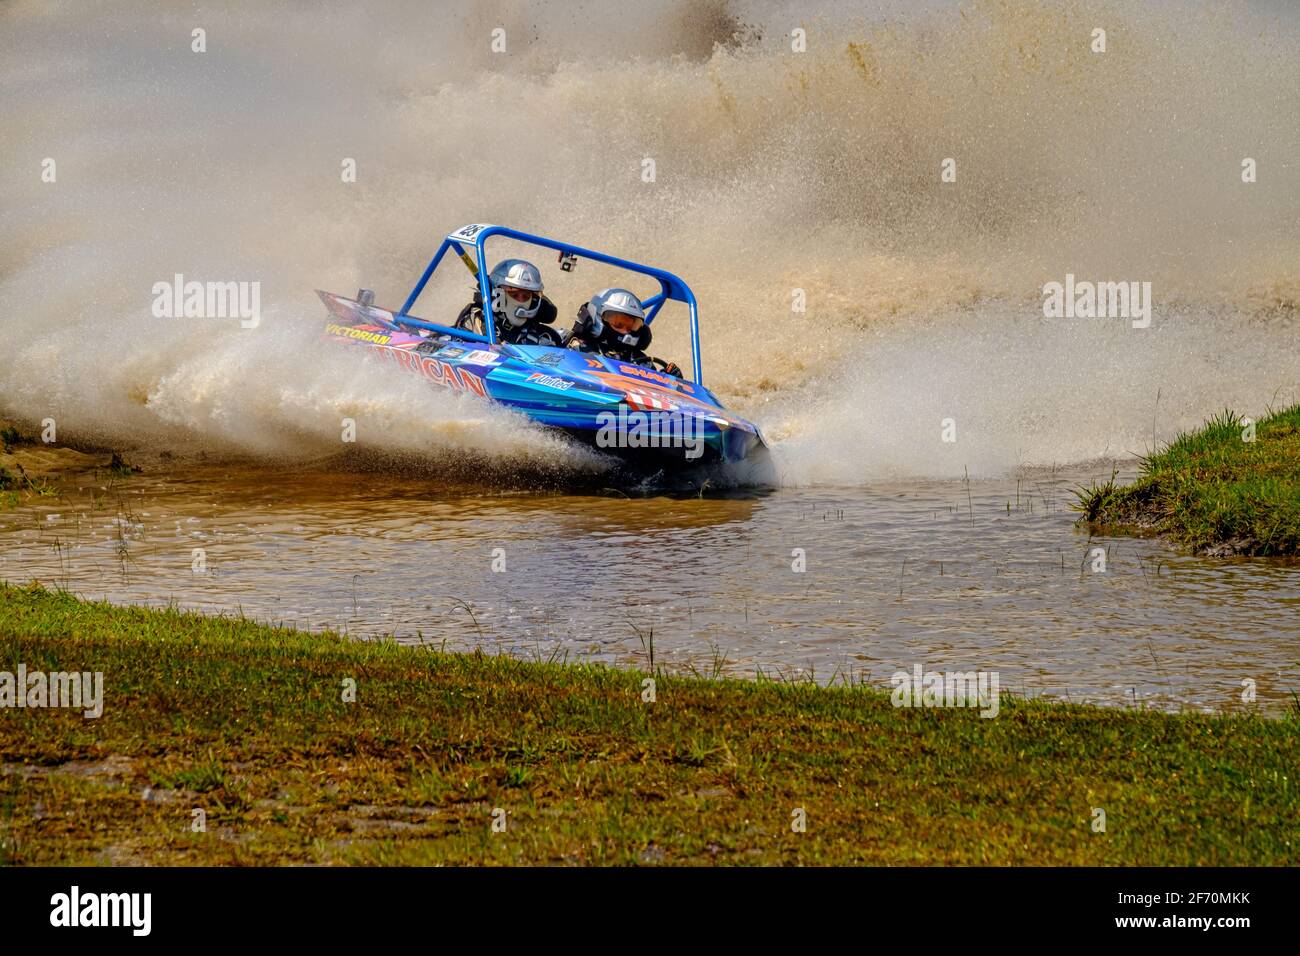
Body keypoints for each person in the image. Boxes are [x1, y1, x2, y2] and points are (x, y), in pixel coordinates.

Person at [568, 287, 682, 376]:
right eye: (619, 324)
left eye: (631, 327)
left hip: (622, 405)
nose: (625, 331)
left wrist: (671, 381)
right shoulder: (573, 344)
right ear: (596, 316)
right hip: (572, 401)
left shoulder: (641, 362)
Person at [455, 259, 563, 346]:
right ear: (498, 296)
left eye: (526, 296)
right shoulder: (475, 323)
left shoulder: (545, 335)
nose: (521, 301)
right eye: (514, 294)